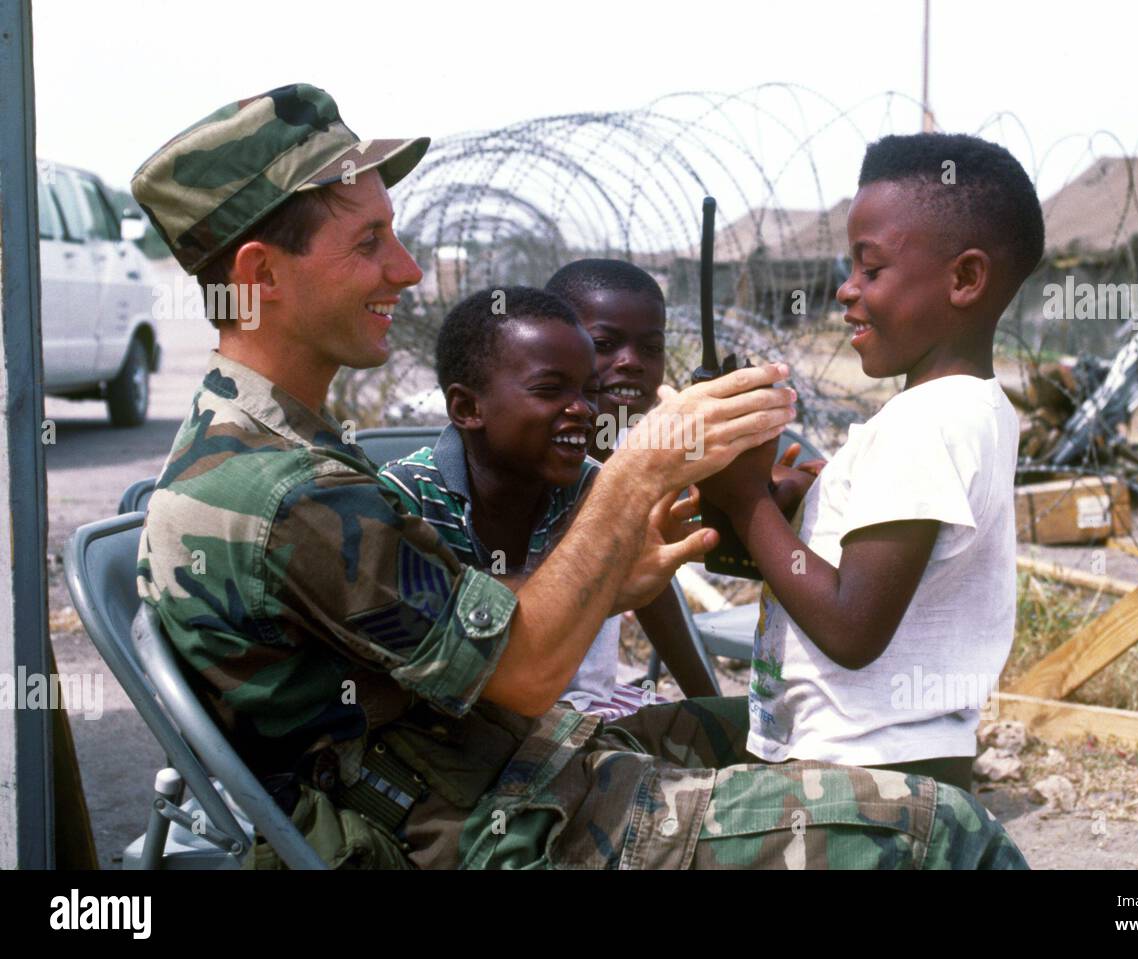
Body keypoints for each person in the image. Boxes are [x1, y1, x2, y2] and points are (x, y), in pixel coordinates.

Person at [131, 85, 1028, 869]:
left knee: (763, 730)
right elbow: (517, 670)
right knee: (937, 829)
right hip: (485, 830)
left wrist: (618, 576)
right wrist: (636, 471)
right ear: (262, 275)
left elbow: (451, 637)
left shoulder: (266, 449)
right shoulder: (280, 491)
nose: (404, 270)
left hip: (488, 772)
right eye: (370, 243)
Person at [699, 133, 1042, 793]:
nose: (845, 290)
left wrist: (749, 502)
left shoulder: (923, 424)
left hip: (862, 780)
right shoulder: (968, 408)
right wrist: (799, 508)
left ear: (965, 278)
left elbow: (852, 625)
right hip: (895, 759)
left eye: (870, 269)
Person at [377, 284, 697, 719]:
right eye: (550, 390)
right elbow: (447, 637)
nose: (582, 409)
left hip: (570, 717)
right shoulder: (404, 498)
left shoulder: (589, 487)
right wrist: (604, 587)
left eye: (588, 391)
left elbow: (647, 583)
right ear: (468, 408)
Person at [543, 259, 721, 705]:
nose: (632, 363)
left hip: (599, 701)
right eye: (605, 344)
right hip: (542, 715)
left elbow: (649, 588)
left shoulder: (633, 448)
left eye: (651, 347)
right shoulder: (532, 463)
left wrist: (707, 704)